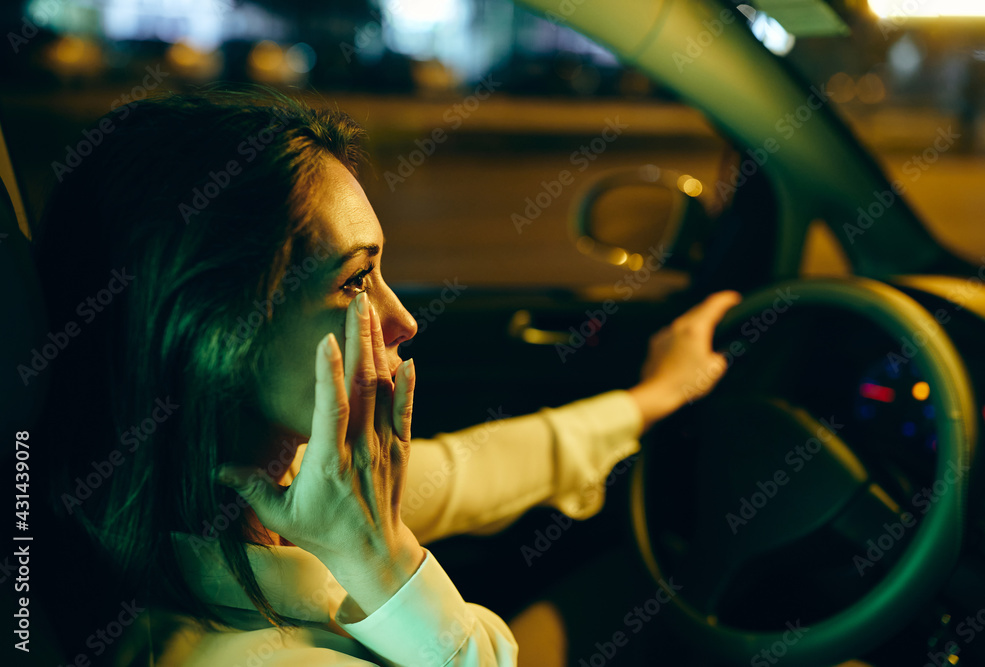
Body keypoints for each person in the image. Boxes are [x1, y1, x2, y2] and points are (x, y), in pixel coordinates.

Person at [31, 87, 740, 666]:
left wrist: (651, 399)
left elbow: (467, 470)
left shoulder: (256, 494)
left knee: (630, 586)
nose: (401, 318)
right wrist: (383, 558)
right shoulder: (242, 656)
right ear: (213, 334)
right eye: (354, 280)